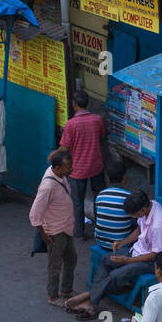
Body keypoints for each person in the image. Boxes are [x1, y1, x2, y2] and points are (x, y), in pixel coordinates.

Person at [69, 189, 162, 320]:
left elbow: (155, 254)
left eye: (133, 215)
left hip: (155, 261)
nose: (132, 217)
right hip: (138, 250)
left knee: (116, 274)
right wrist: (122, 242)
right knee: (106, 259)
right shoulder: (148, 207)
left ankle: (90, 300)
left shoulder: (159, 224)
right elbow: (139, 229)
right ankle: (92, 298)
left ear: (142, 210)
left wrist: (128, 261)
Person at [57, 90, 108, 239]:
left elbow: (65, 147)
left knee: (77, 201)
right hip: (96, 165)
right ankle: (102, 230)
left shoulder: (71, 124)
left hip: (77, 169)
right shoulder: (97, 119)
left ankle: (79, 232)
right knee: (99, 198)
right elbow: (102, 135)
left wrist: (53, 154)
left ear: (74, 104)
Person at [30, 149, 77, 307]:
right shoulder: (48, 186)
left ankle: (66, 291)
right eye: (67, 167)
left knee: (71, 258)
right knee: (55, 264)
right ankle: (53, 296)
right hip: (55, 231)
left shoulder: (58, 174)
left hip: (66, 226)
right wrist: (44, 234)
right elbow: (35, 213)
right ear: (57, 168)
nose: (71, 169)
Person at [93, 158, 134, 250]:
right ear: (124, 177)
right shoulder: (129, 197)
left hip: (101, 241)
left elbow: (97, 218)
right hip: (121, 244)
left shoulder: (100, 195)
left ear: (108, 177)